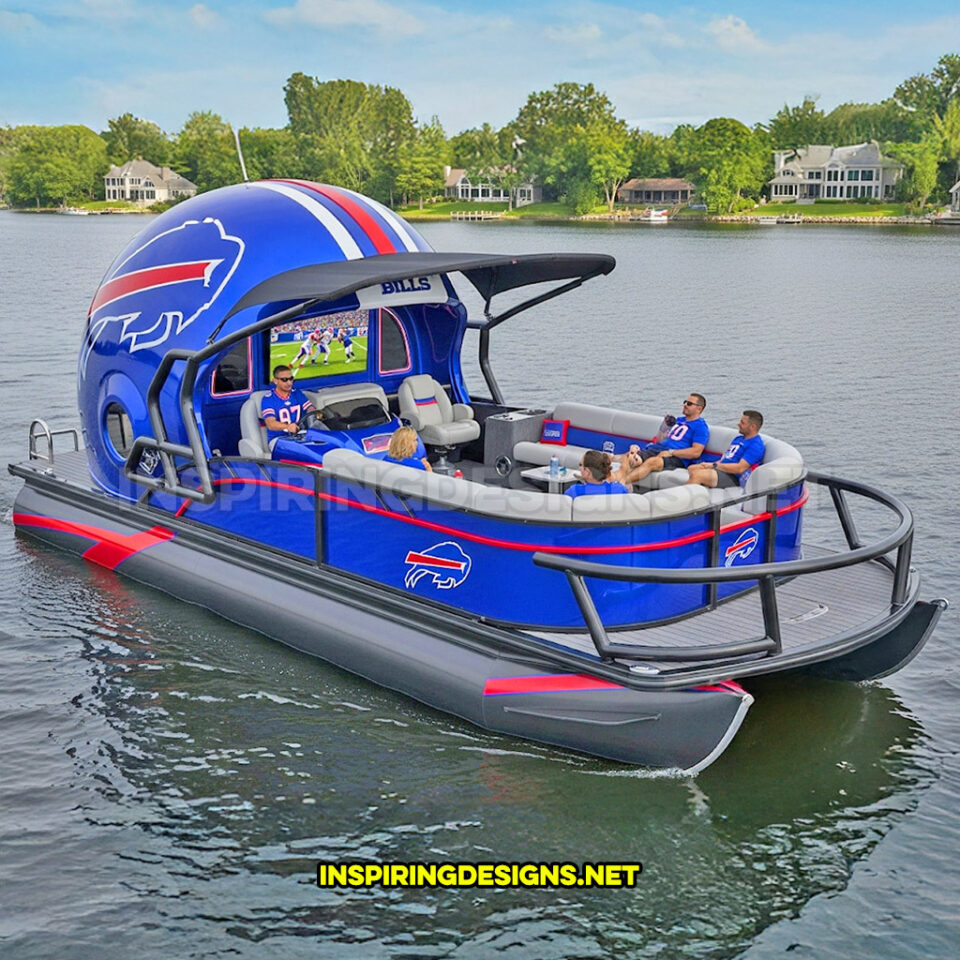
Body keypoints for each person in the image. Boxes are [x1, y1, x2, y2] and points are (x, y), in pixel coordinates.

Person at [617, 392, 709, 486]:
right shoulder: (679, 420)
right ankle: (610, 480)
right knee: (631, 457)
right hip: (659, 448)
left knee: (653, 462)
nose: (685, 405)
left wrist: (671, 452)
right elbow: (661, 439)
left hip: (677, 457)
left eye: (689, 404)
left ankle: (619, 483)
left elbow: (696, 452)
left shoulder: (700, 427)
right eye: (685, 402)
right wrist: (665, 426)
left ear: (699, 409)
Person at [686, 410, 765, 489]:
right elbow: (725, 458)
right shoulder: (738, 439)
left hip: (732, 476)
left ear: (752, 427)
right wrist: (709, 465)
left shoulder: (755, 445)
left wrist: (714, 466)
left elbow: (740, 468)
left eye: (742, 423)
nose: (738, 424)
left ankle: (685, 499)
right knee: (692, 468)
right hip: (721, 470)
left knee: (698, 475)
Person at [260, 365, 315, 445]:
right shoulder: (268, 399)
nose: (289, 383)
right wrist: (287, 427)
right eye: (284, 380)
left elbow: (309, 408)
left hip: (300, 435)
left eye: (291, 379)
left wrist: (314, 412)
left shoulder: (297, 393)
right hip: (278, 439)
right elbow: (270, 423)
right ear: (275, 381)